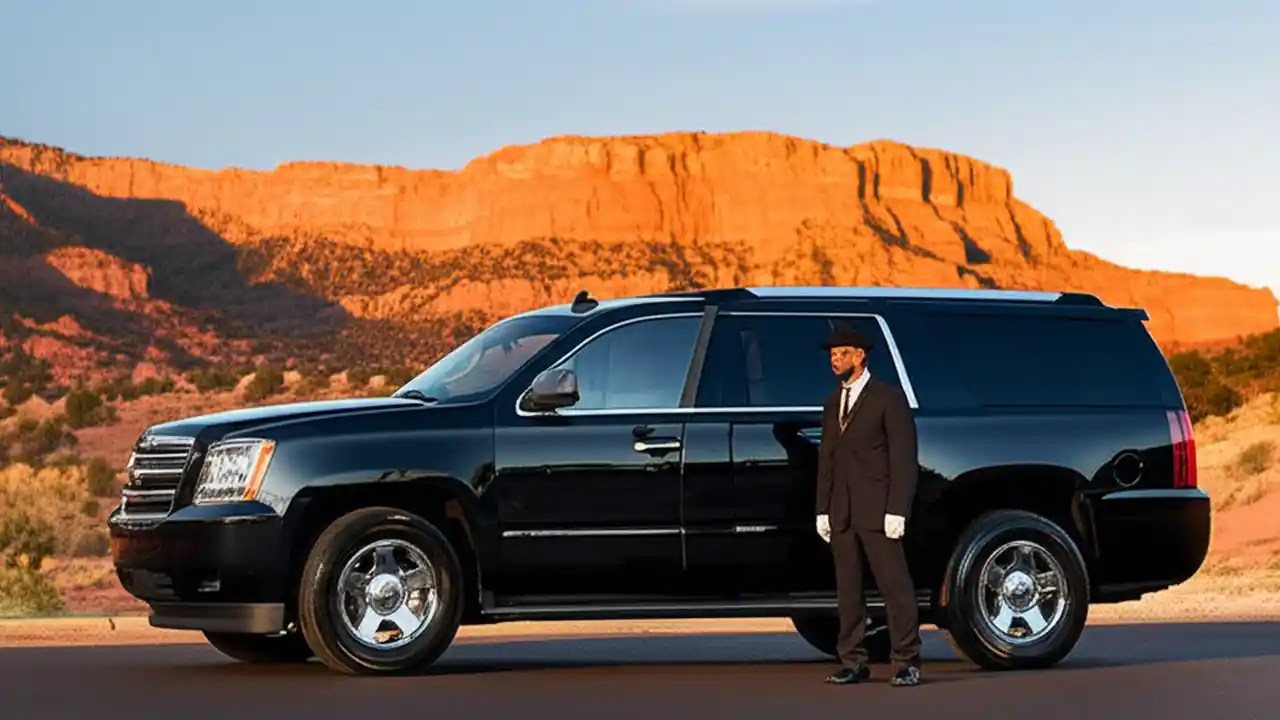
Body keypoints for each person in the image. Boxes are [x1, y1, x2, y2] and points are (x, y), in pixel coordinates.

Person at [814, 321, 922, 686]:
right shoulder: (832, 404)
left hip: (879, 511)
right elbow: (827, 458)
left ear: (860, 356)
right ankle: (853, 661)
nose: (835, 360)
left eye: (842, 353)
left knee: (896, 587)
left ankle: (906, 660)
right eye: (832, 354)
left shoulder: (887, 398)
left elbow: (903, 458)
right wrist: (822, 509)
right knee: (848, 590)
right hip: (842, 513)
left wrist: (898, 509)